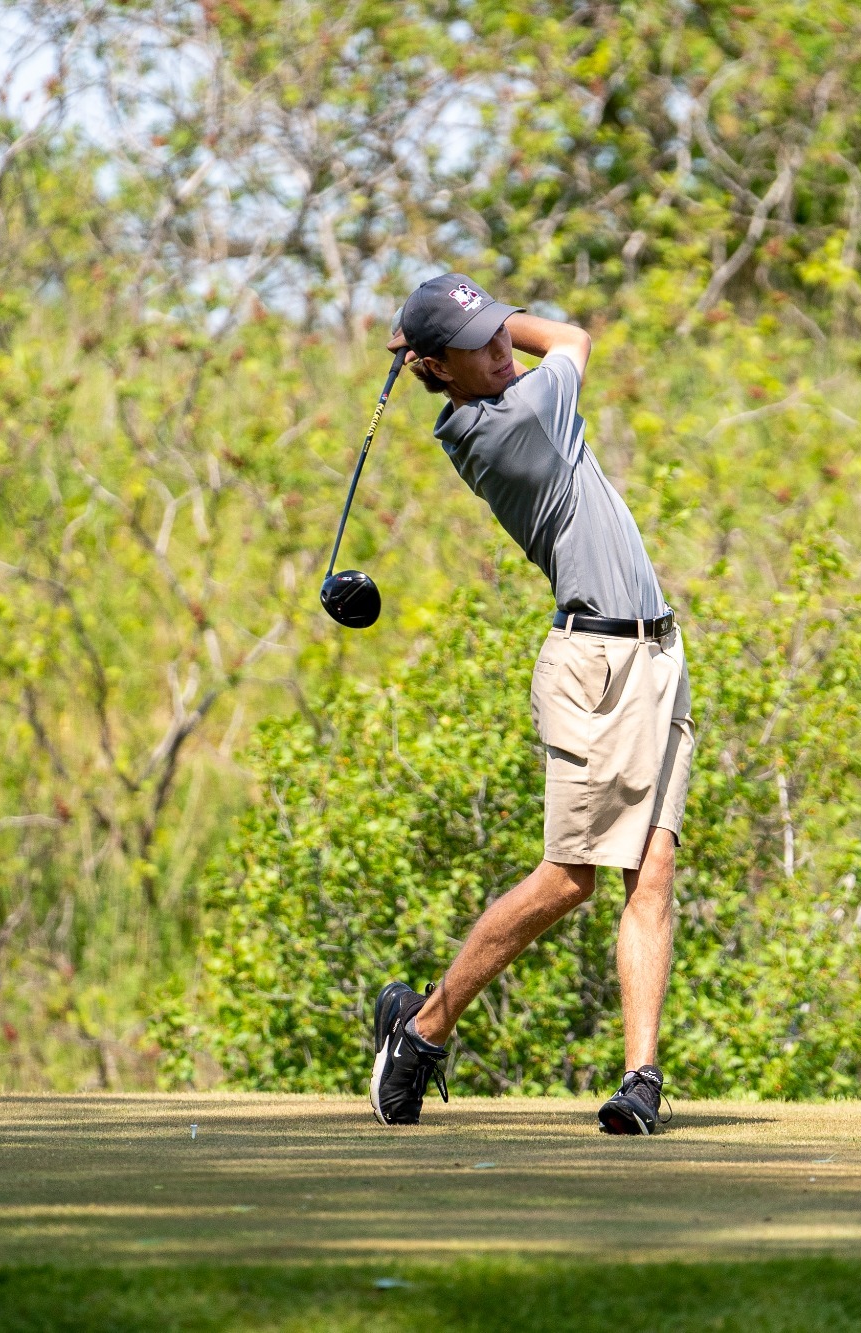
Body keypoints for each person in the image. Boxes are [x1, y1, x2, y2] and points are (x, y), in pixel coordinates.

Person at [367, 273, 693, 1135]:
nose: (503, 350)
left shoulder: (499, 391)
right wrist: (505, 315)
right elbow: (575, 337)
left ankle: (640, 1080)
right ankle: (422, 1031)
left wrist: (463, 319)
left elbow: (544, 344)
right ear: (440, 366)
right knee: (570, 877)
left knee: (651, 870)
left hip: (656, 651)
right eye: (480, 344)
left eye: (499, 332)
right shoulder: (513, 422)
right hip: (595, 664)